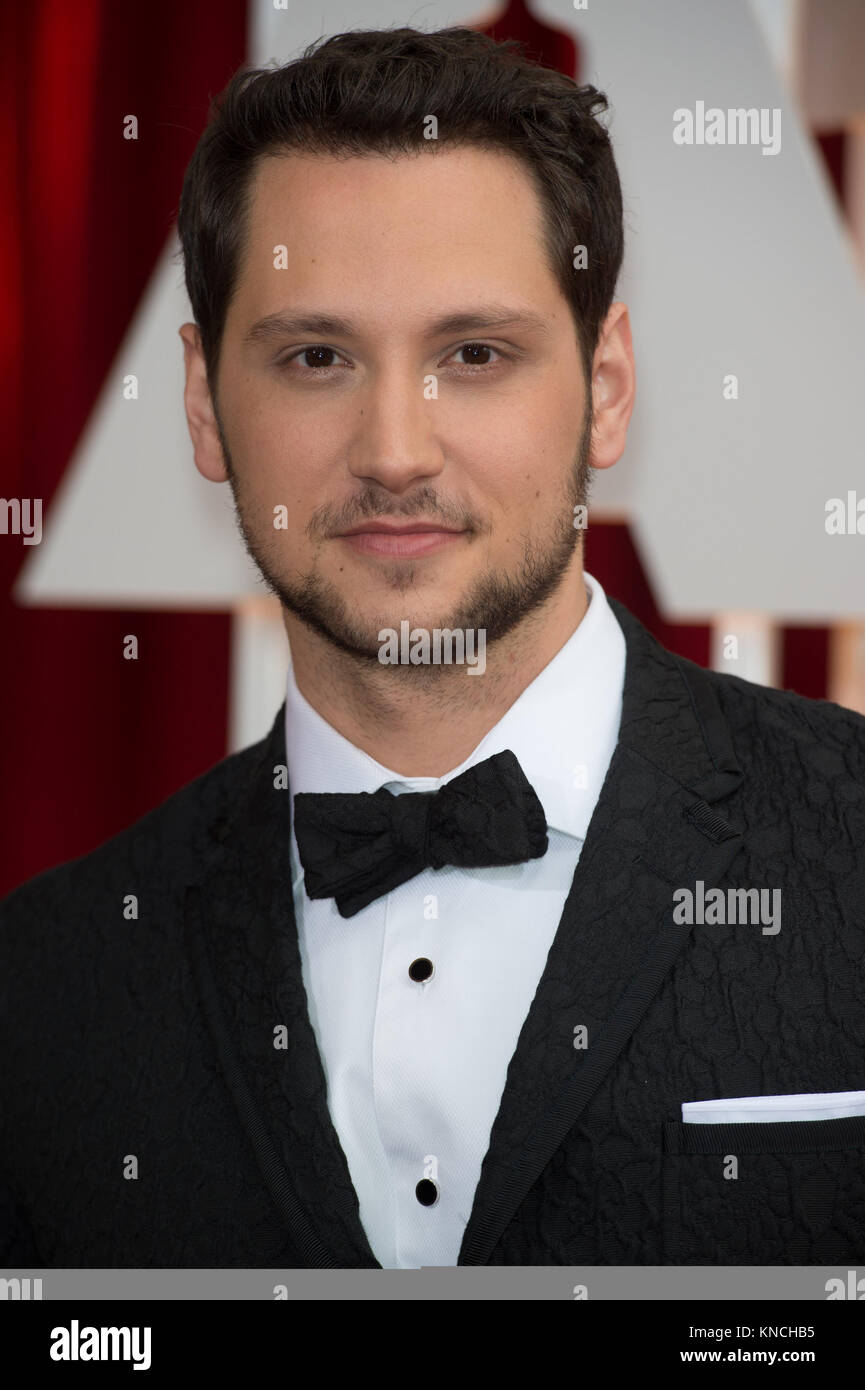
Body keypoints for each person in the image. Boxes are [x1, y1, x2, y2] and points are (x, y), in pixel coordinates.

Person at [2, 26, 864, 1270]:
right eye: (316, 357)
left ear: (607, 386)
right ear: (201, 403)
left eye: (474, 354)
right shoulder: (45, 984)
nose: (394, 450)